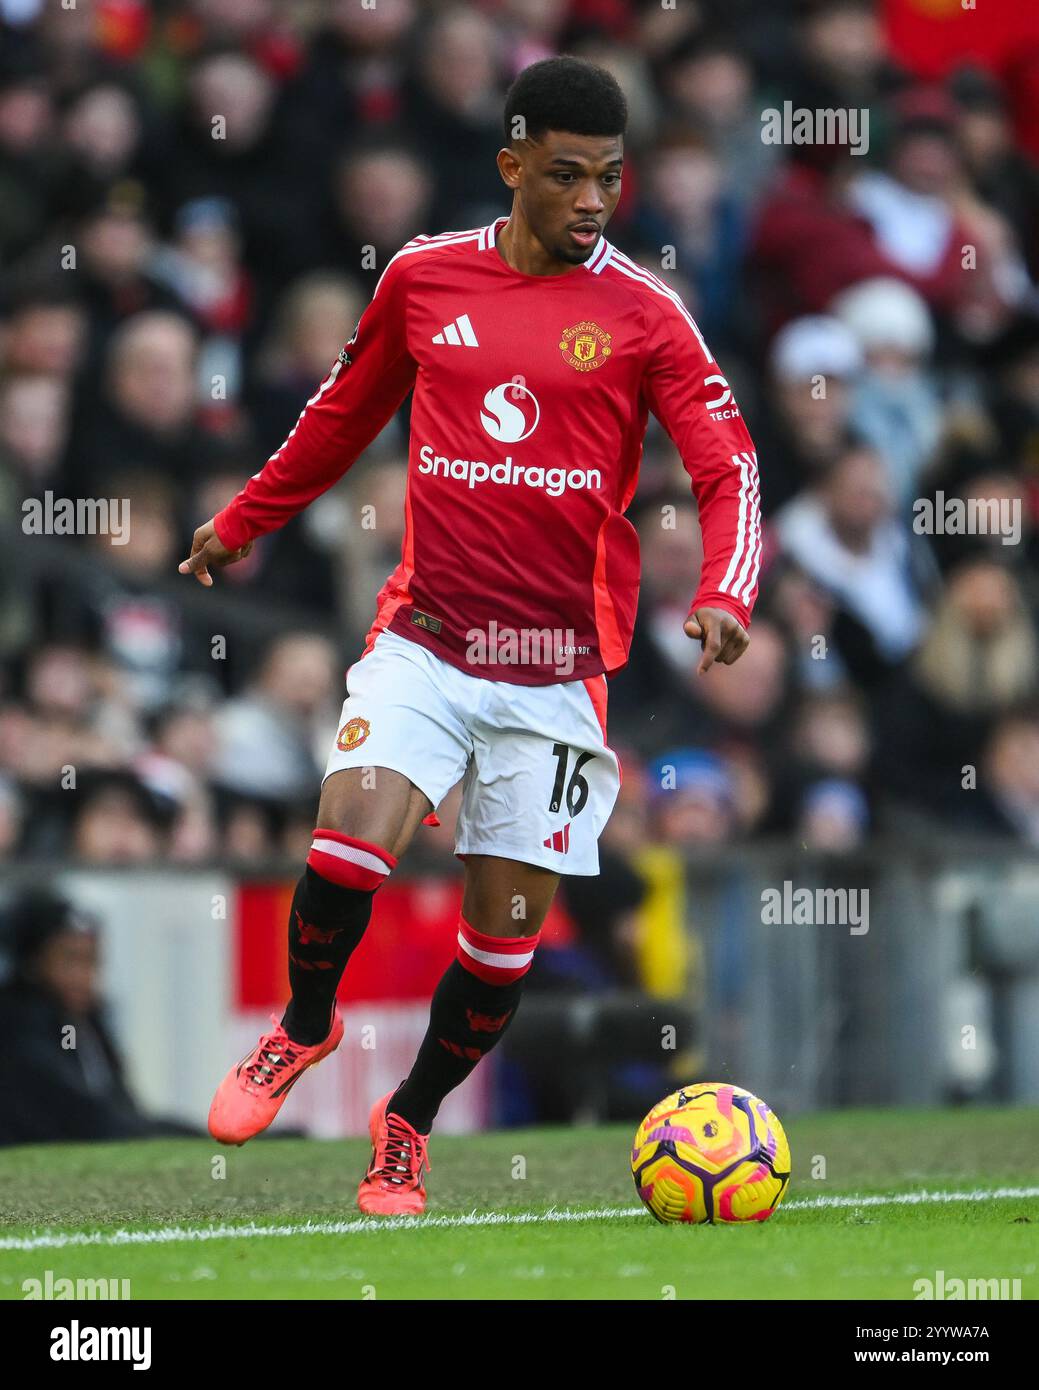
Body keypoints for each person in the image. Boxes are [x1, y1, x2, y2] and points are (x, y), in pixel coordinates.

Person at [178, 57, 761, 1215]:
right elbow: (340, 411)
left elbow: (729, 466)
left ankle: (407, 1123)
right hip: (427, 642)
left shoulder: (646, 314)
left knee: (500, 950)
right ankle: (301, 1027)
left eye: (607, 177)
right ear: (511, 166)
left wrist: (728, 595)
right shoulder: (423, 278)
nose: (592, 200)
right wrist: (245, 519)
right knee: (349, 842)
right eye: (565, 175)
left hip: (555, 680)